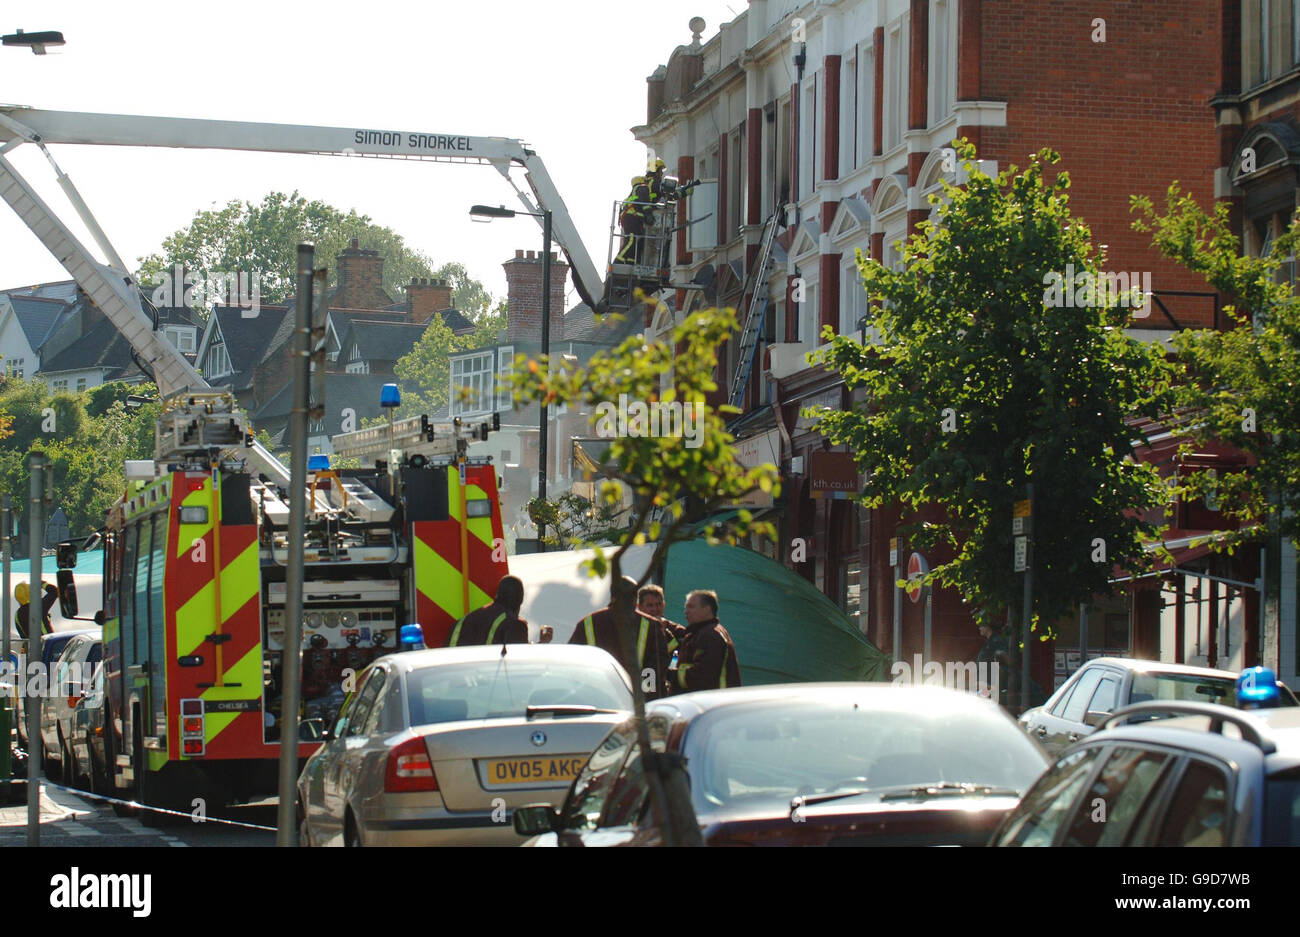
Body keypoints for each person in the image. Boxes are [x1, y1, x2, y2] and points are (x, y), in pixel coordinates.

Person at [570, 577, 678, 700]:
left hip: (596, 697)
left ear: (612, 597)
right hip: (636, 699)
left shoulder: (586, 623)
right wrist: (646, 695)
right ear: (635, 599)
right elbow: (656, 666)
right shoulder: (650, 625)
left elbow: (572, 661)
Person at [674, 589, 741, 692]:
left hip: (714, 702)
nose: (686, 611)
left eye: (691, 607)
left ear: (707, 609)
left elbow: (703, 676)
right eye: (686, 607)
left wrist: (669, 675)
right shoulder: (699, 633)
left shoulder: (711, 635)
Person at [448, 575, 528, 646]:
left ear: (497, 594)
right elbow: (518, 659)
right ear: (520, 599)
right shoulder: (514, 624)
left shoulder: (463, 622)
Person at [614, 175, 652, 265]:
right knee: (631, 241)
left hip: (630, 219)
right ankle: (617, 262)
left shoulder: (632, 194)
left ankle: (630, 261)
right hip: (632, 219)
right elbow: (645, 203)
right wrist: (649, 214)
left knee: (635, 242)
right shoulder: (642, 188)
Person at [974, 617, 1009, 704]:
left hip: (990, 685)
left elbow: (1002, 661)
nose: (979, 628)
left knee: (980, 704)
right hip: (986, 684)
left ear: (988, 627)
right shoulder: (990, 642)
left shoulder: (996, 642)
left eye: (981, 626)